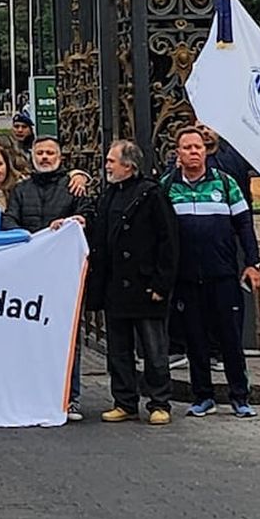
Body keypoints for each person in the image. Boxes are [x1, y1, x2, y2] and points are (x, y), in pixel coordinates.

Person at [165, 127, 260, 419]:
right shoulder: (167, 185)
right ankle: (203, 396)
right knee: (195, 339)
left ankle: (239, 396)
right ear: (178, 154)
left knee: (230, 338)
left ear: (205, 151)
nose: (193, 152)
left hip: (222, 274)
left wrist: (253, 263)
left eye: (198, 147)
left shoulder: (226, 182)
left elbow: (244, 224)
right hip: (186, 276)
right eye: (187, 148)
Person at [2, 135, 94, 421]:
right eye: (39, 152)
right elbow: (8, 221)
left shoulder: (73, 187)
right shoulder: (20, 190)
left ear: (60, 157)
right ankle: (30, 395)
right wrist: (29, 240)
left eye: (49, 152)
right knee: (27, 336)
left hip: (63, 279)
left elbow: (88, 214)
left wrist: (74, 222)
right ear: (31, 156)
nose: (44, 157)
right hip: (29, 278)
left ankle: (71, 397)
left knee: (68, 337)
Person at [88, 140, 179, 426]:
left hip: (146, 286)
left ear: (128, 165)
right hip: (116, 288)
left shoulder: (152, 195)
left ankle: (159, 402)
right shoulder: (109, 195)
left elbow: (169, 242)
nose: (107, 166)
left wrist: (161, 284)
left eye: (111, 161)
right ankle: (124, 402)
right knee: (119, 351)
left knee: (154, 351)